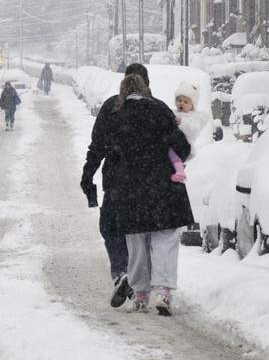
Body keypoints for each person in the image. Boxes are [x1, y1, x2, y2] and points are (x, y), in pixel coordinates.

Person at [86, 72, 194, 316]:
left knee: (136, 244)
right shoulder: (159, 110)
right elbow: (182, 147)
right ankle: (163, 292)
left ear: (123, 90)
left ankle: (141, 295)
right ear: (146, 88)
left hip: (129, 190)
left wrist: (91, 177)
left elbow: (101, 148)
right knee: (164, 240)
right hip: (161, 188)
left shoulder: (115, 114)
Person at [81, 62, 149, 307]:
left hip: (117, 181)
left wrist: (88, 175)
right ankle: (137, 279)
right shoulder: (157, 109)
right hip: (148, 183)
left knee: (111, 227)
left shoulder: (112, 106)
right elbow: (173, 145)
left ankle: (122, 272)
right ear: (146, 83)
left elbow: (97, 145)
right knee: (141, 233)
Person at [168, 81, 211, 184]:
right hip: (173, 143)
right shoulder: (173, 113)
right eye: (179, 100)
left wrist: (182, 123)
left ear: (192, 106)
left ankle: (180, 172)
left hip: (185, 145)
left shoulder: (194, 117)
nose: (181, 103)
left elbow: (194, 130)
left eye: (186, 102)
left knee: (171, 153)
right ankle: (177, 174)